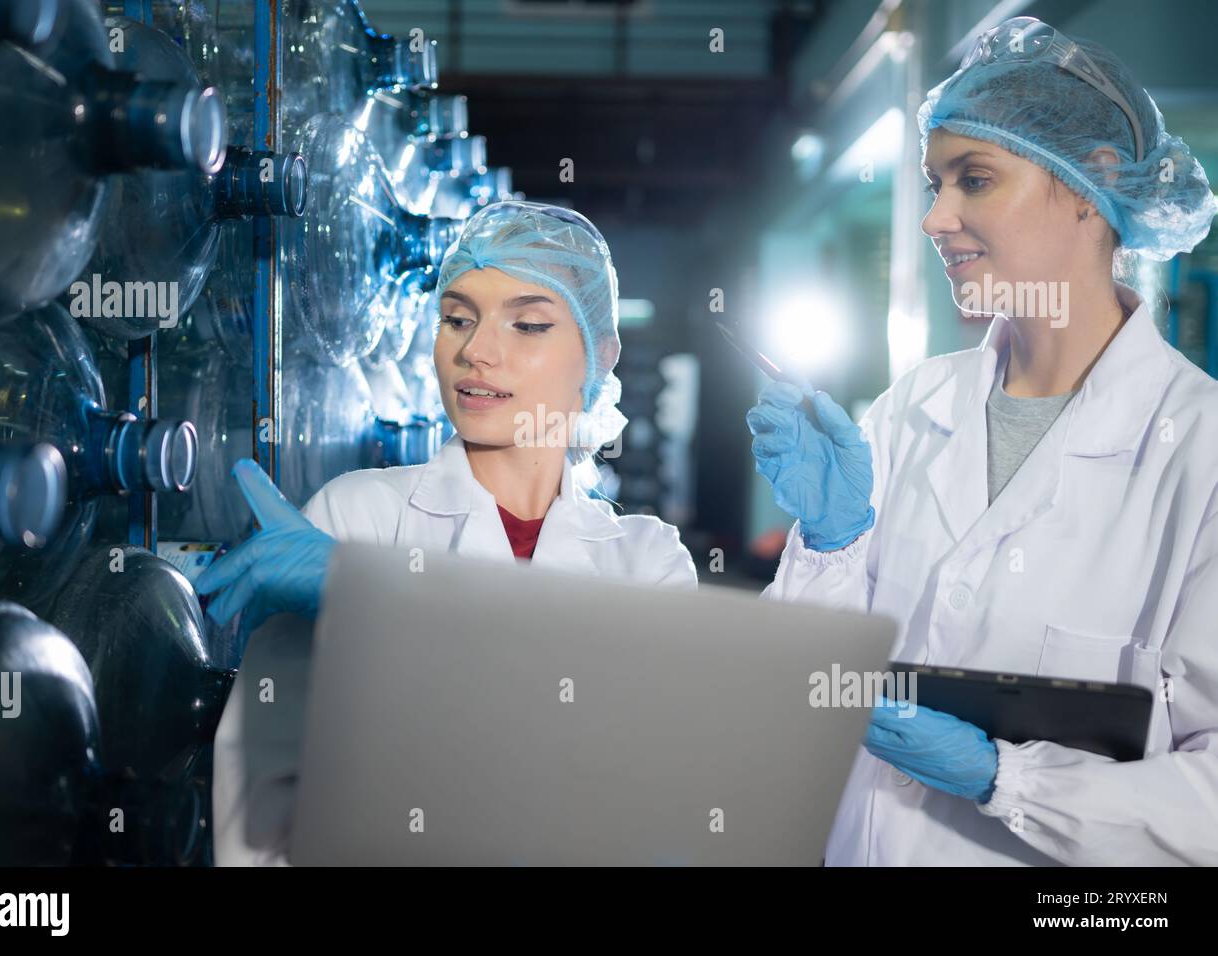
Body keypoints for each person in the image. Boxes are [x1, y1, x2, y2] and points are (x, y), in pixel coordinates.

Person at [749, 16, 1218, 865]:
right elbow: (803, 692)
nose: (936, 218)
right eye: (934, 183)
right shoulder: (910, 408)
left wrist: (1006, 778)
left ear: (1092, 183)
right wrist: (829, 548)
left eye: (974, 180)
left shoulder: (1201, 455)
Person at [201, 200, 698, 865]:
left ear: (599, 356)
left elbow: (624, 794)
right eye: (457, 318)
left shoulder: (647, 564)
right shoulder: (354, 518)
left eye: (526, 324)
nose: (475, 350)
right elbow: (258, 815)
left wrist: (381, 605)